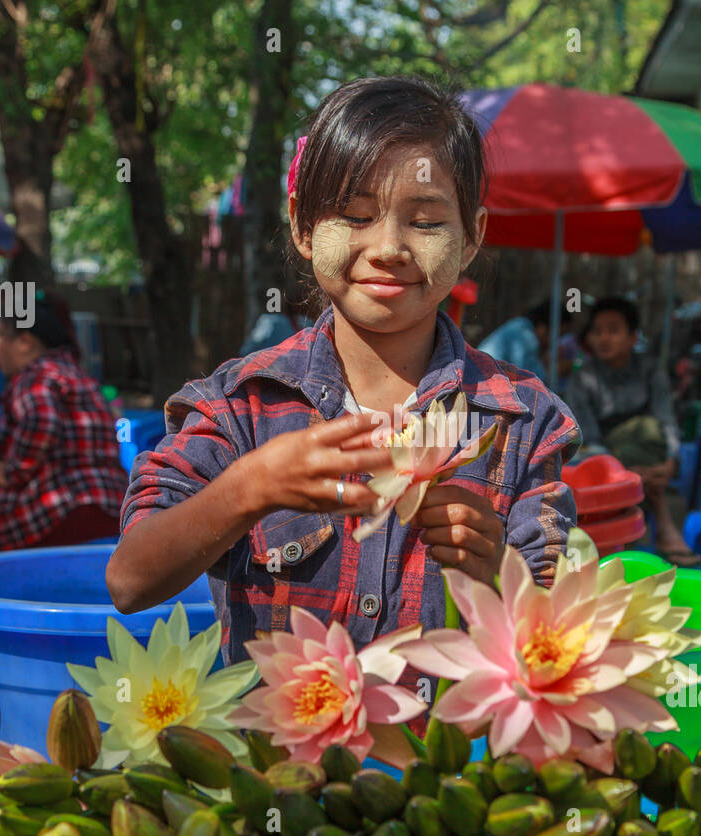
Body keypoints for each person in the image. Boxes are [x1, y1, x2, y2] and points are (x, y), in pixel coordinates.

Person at [107, 76, 580, 668]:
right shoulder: (239, 406)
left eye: (426, 222)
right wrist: (247, 490)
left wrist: (493, 575)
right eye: (355, 216)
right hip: (272, 758)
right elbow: (129, 580)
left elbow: (556, 645)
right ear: (303, 226)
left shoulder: (522, 420)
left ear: (471, 238)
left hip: (441, 761)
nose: (388, 247)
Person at [0, 292, 128, 552]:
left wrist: (12, 473)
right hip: (114, 506)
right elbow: (16, 443)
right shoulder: (70, 371)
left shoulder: (35, 378)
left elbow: (43, 420)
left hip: (69, 510)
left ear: (25, 342)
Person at [562, 296, 700, 567]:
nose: (603, 338)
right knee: (641, 431)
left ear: (633, 337)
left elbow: (666, 419)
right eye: (597, 331)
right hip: (601, 459)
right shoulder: (583, 378)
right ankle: (661, 519)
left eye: (613, 330)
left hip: (649, 456)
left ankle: (636, 530)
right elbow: (586, 437)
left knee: (649, 429)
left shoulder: (651, 371)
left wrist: (671, 461)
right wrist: (627, 472)